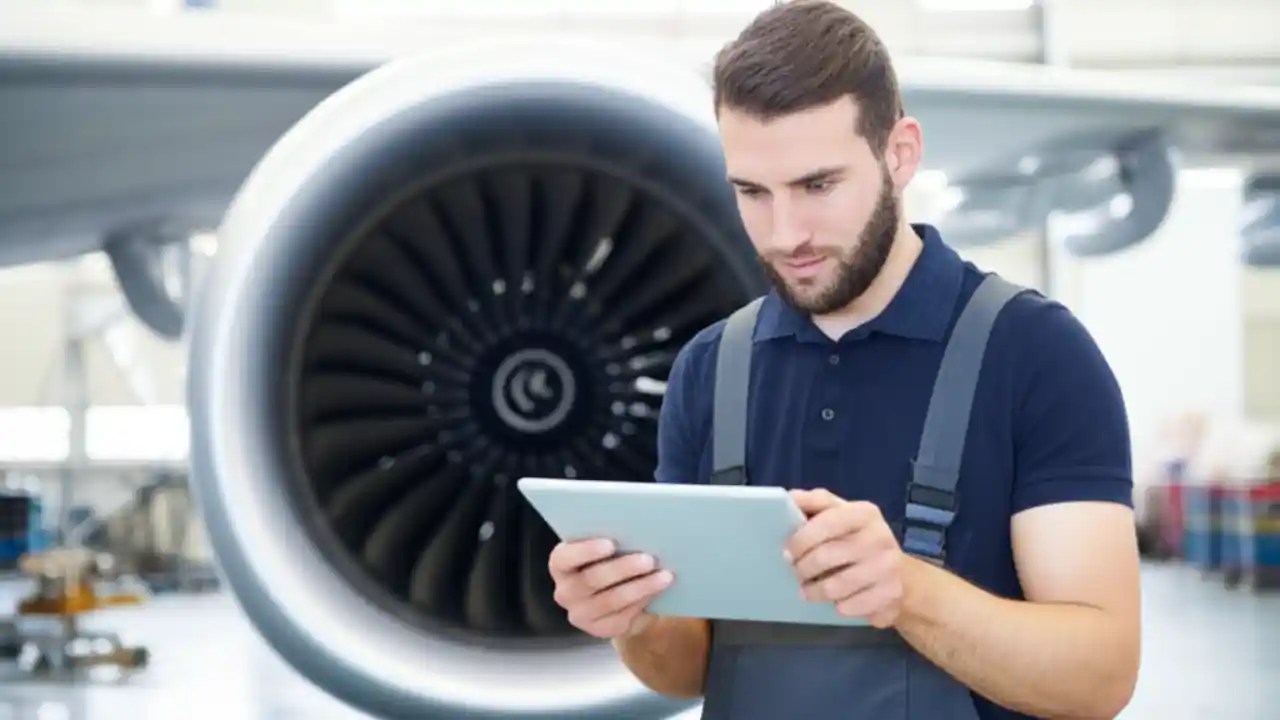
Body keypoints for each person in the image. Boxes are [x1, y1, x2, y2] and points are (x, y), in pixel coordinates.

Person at [546, 2, 1142, 718]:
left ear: (900, 154)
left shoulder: (1037, 355)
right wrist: (633, 619)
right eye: (752, 193)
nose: (785, 232)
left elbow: (1099, 679)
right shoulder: (709, 371)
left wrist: (907, 591)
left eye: (817, 186)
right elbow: (690, 669)